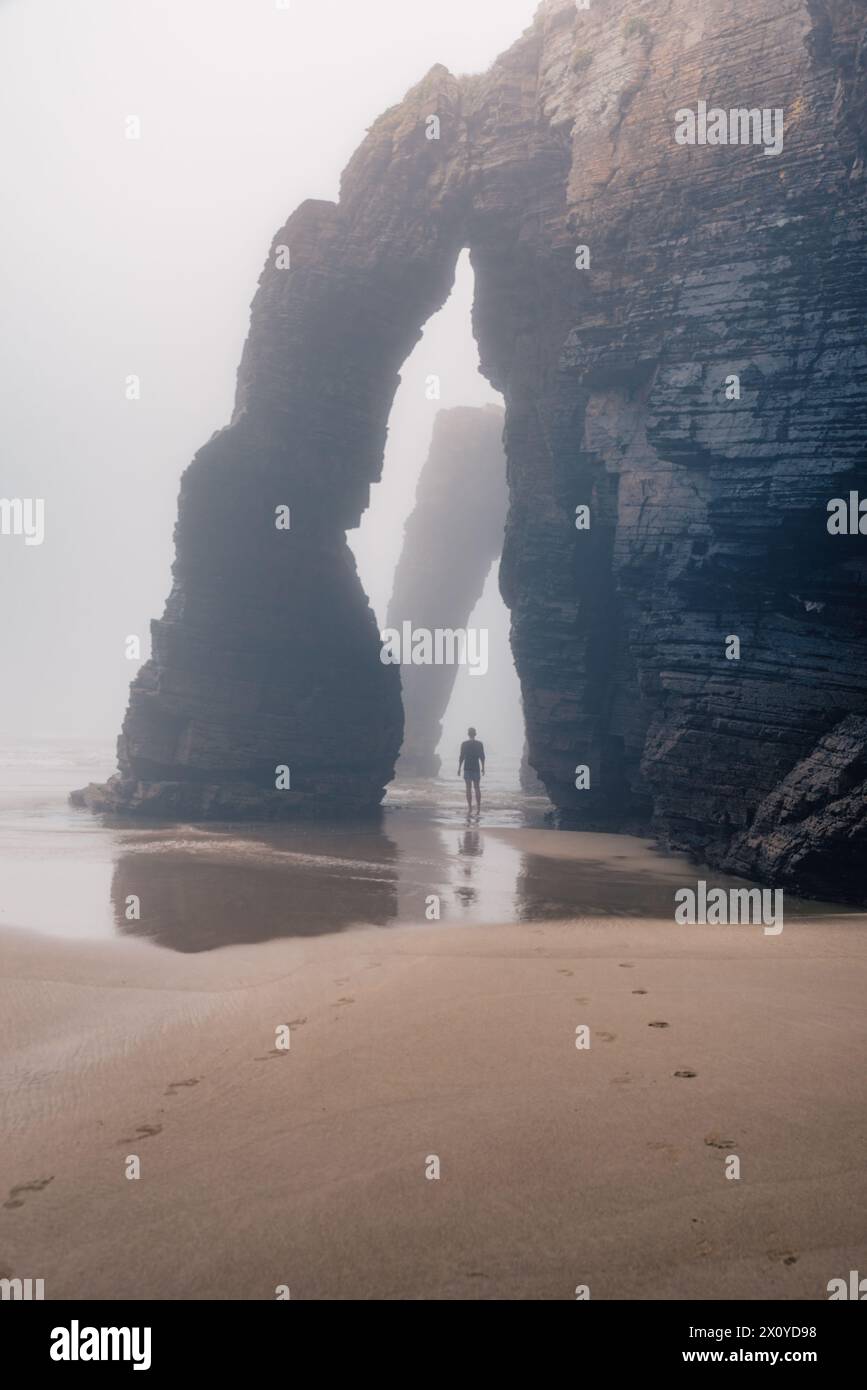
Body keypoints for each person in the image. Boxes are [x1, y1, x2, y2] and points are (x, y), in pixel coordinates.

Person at [458, 726, 485, 816]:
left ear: (468, 734)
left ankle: (470, 807)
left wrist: (459, 768)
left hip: (467, 768)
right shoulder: (479, 744)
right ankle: (478, 808)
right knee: (477, 788)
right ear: (475, 734)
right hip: (476, 768)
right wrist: (483, 768)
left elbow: (461, 757)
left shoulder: (464, 744)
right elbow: (482, 756)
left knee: (468, 788)